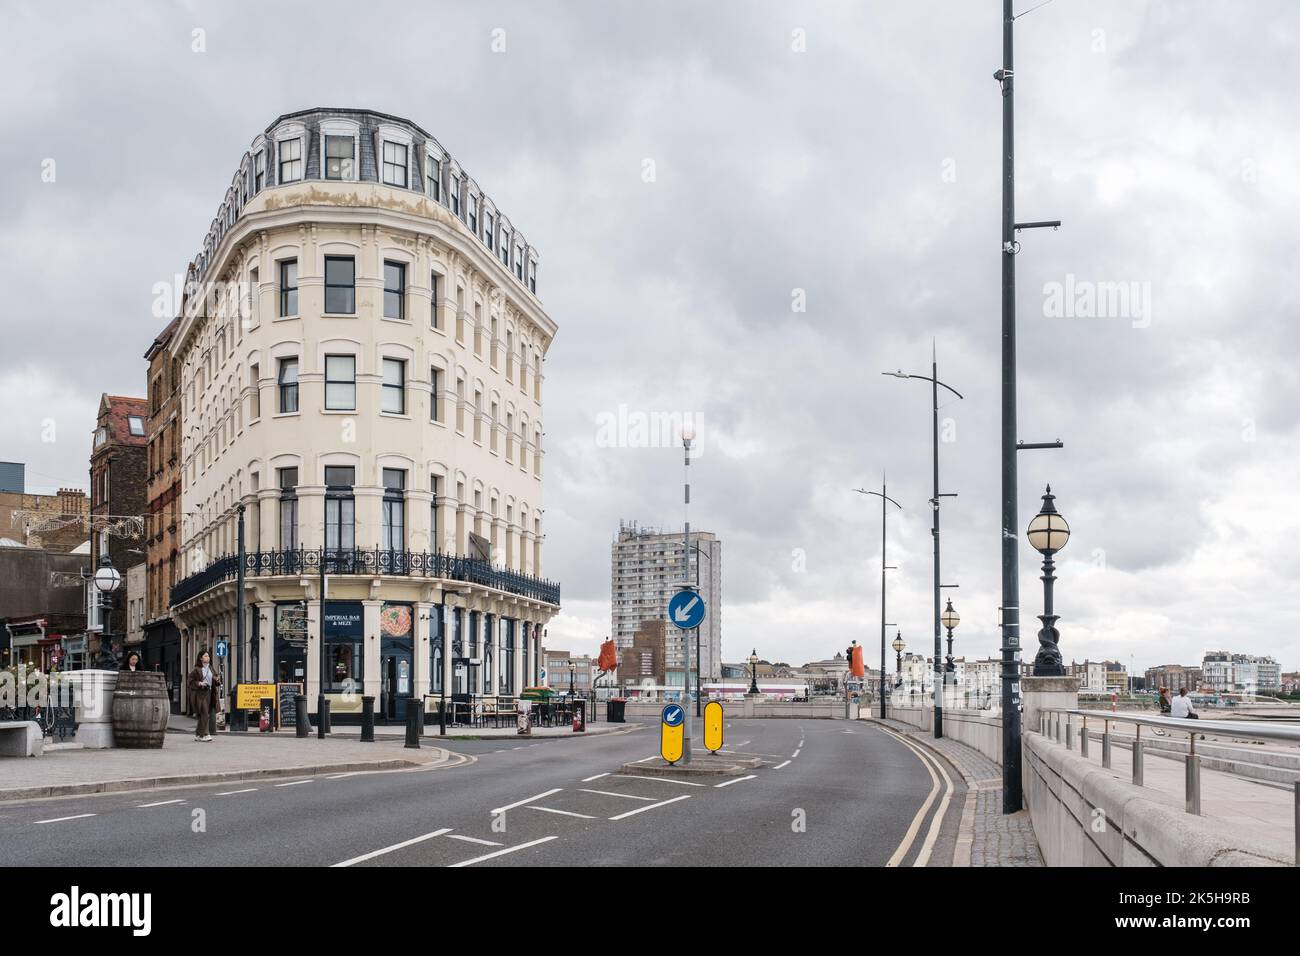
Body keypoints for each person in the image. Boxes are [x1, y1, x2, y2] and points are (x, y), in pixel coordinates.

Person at [187, 649, 222, 742]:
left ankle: (198, 734)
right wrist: (199, 683)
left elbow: (215, 680)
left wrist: (217, 680)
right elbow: (190, 682)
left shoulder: (210, 668)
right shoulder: (196, 669)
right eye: (205, 656)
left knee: (206, 713)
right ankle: (205, 734)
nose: (208, 657)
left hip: (210, 693)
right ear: (201, 658)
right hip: (200, 694)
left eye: (208, 656)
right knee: (205, 713)